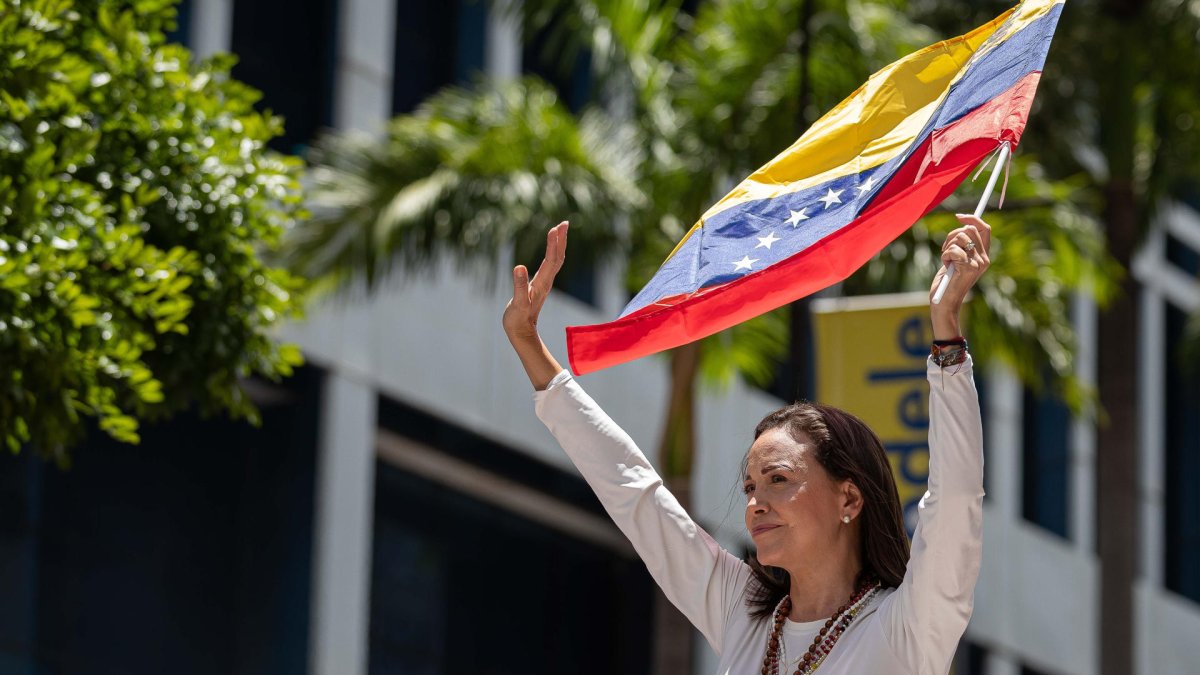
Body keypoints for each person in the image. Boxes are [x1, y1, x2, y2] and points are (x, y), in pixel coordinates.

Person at [502, 215, 990, 675]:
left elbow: (955, 502)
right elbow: (635, 492)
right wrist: (530, 346)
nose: (756, 504)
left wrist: (946, 334)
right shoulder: (743, 613)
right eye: (752, 487)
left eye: (779, 479)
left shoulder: (907, 625)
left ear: (849, 498)